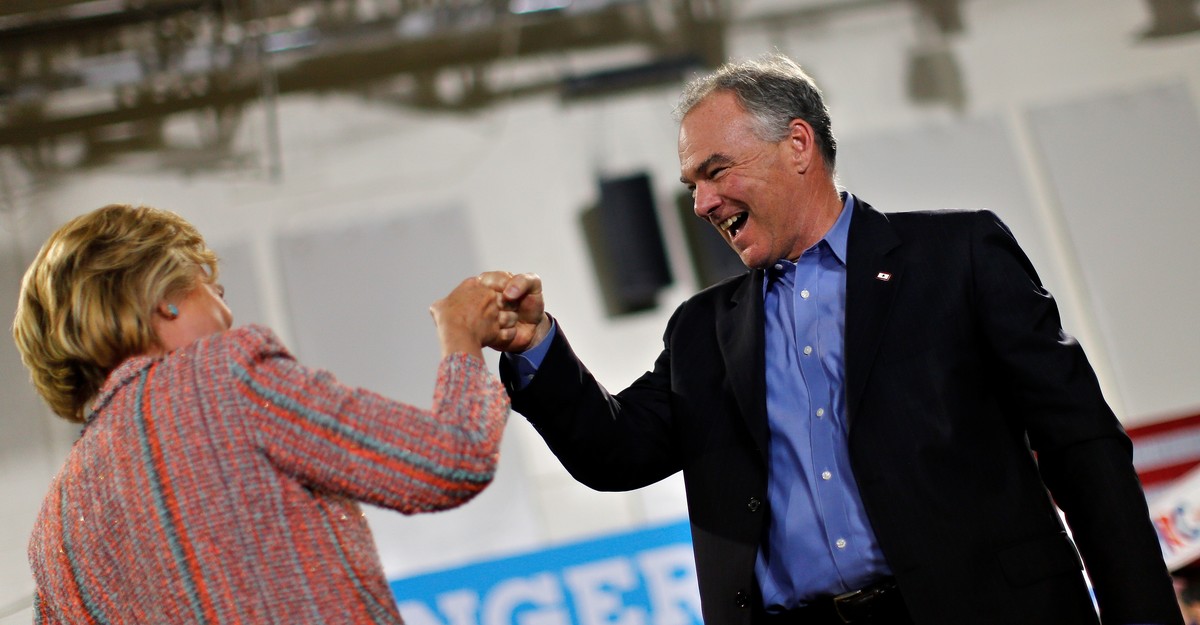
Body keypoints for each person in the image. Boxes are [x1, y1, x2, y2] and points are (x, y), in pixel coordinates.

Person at [475, 53, 1182, 625]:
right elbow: (616, 450)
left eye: (716, 171)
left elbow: (1081, 444)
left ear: (799, 145)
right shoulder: (702, 331)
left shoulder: (957, 255)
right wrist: (536, 344)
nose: (701, 203)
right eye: (692, 184)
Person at [13, 203, 514, 624]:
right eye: (213, 290)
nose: (227, 313)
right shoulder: (221, 378)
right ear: (165, 298)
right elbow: (451, 457)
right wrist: (463, 337)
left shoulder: (53, 532)